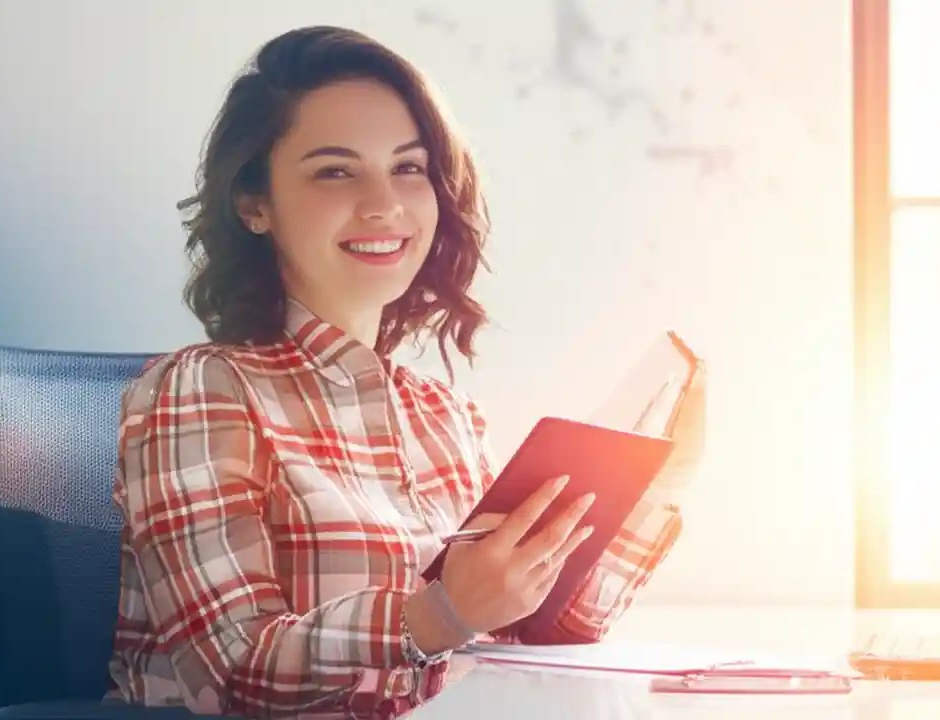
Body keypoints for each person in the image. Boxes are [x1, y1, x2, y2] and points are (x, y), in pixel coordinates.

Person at [104, 25, 705, 719]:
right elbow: (233, 671)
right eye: (335, 170)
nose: (383, 203)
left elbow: (537, 635)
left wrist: (658, 489)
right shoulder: (200, 390)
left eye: (409, 168)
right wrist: (439, 615)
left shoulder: (444, 417)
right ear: (254, 204)